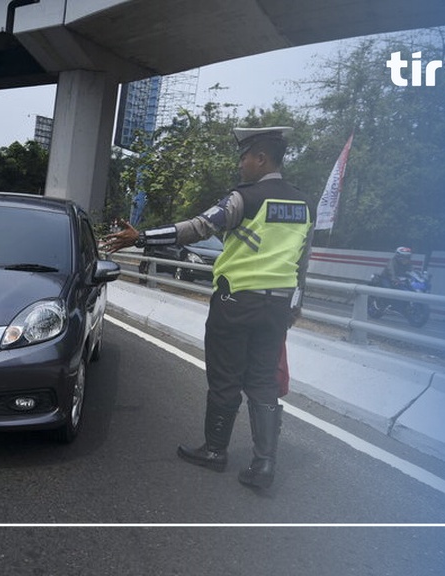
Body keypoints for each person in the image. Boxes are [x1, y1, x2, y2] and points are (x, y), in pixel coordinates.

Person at [100, 126, 314, 489]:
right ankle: (264, 464)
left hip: (236, 303)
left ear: (261, 158)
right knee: (263, 381)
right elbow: (302, 261)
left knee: (225, 378)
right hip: (277, 307)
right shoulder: (304, 204)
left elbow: (199, 227)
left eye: (244, 157)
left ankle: (215, 451)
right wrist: (295, 306)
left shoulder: (244, 198)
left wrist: (141, 238)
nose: (241, 164)